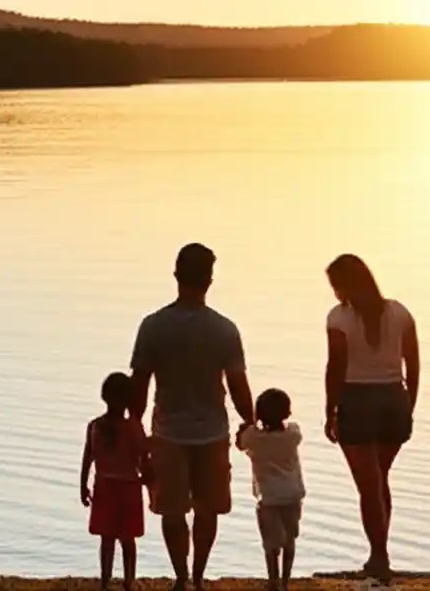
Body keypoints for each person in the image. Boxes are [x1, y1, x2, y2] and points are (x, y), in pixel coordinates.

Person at [130, 243, 255, 591]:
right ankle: (198, 576)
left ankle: (181, 577)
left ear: (175, 276)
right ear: (210, 280)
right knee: (208, 509)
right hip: (213, 431)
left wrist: (134, 425)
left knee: (172, 510)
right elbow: (238, 384)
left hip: (167, 430)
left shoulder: (153, 326)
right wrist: (251, 421)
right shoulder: (224, 329)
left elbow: (139, 381)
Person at [322, 254, 421, 586]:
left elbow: (335, 367)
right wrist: (410, 403)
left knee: (370, 487)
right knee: (377, 481)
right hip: (394, 400)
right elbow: (413, 362)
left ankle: (379, 558)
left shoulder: (339, 318)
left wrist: (330, 409)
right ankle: (378, 553)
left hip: (358, 401)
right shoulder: (400, 313)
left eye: (335, 285)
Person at [81, 372, 152, 591]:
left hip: (104, 487)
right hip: (129, 488)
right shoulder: (133, 427)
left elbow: (88, 458)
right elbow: (143, 459)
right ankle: (129, 581)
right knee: (128, 540)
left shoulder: (95, 426)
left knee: (107, 539)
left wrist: (82, 485)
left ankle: (105, 580)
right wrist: (150, 484)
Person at [236, 388, 305, 591]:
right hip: (293, 494)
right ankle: (285, 581)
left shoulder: (254, 439)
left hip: (269, 498)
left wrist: (247, 425)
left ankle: (273, 580)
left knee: (270, 543)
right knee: (290, 539)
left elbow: (240, 443)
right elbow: (294, 428)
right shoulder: (293, 434)